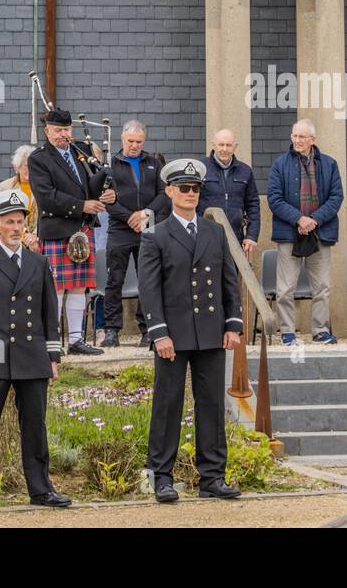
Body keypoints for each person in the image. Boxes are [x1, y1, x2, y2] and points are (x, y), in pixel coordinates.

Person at [138, 158, 244, 504]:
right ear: (169, 191)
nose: (191, 194)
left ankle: (212, 476)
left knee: (212, 404)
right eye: (184, 188)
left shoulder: (214, 231)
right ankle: (162, 477)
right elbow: (150, 289)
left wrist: (233, 323)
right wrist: (159, 333)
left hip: (211, 331)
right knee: (168, 404)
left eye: (196, 189)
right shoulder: (156, 236)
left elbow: (229, 279)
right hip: (173, 333)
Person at [0, 188, 70, 512]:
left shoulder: (38, 262)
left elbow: (50, 313)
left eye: (20, 221)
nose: (16, 228)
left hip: (32, 353)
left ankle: (41, 489)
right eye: (9, 222)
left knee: (35, 426)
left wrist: (53, 357)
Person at [28, 108, 115, 355]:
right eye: (57, 130)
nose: (62, 135)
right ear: (47, 131)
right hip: (57, 229)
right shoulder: (39, 159)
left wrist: (108, 192)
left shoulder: (82, 152)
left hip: (82, 228)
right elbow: (46, 198)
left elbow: (91, 185)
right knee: (55, 287)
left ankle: (76, 340)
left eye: (66, 130)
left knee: (79, 286)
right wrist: (82, 206)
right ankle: (52, 342)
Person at [267, 118, 344, 345]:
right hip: (289, 233)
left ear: (313, 139)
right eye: (294, 136)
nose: (297, 140)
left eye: (302, 136)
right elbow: (274, 198)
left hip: (320, 233)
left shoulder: (329, 164)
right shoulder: (280, 164)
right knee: (285, 289)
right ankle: (287, 332)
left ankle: (320, 330)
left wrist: (314, 220)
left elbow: (336, 197)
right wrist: (299, 219)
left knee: (322, 287)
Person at [101, 120, 170, 347]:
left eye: (139, 142)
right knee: (114, 280)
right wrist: (129, 217)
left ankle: (148, 329)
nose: (134, 145)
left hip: (147, 224)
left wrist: (145, 214)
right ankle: (111, 330)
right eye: (130, 141)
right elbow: (106, 198)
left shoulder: (153, 163)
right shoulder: (111, 164)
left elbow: (164, 194)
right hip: (120, 227)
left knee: (148, 279)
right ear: (122, 139)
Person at [198, 128, 260, 254]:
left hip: (235, 238)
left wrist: (251, 236)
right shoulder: (200, 168)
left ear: (235, 146)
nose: (225, 149)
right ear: (213, 145)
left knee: (232, 273)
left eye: (229, 145)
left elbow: (253, 205)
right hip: (205, 236)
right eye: (221, 144)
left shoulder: (245, 171)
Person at [0, 144, 41, 253]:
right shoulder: (5, 187)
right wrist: (25, 236)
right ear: (18, 166)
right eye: (26, 165)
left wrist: (35, 235)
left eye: (33, 165)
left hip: (38, 241)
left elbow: (46, 214)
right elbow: (3, 217)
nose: (29, 169)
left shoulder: (43, 187)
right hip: (11, 239)